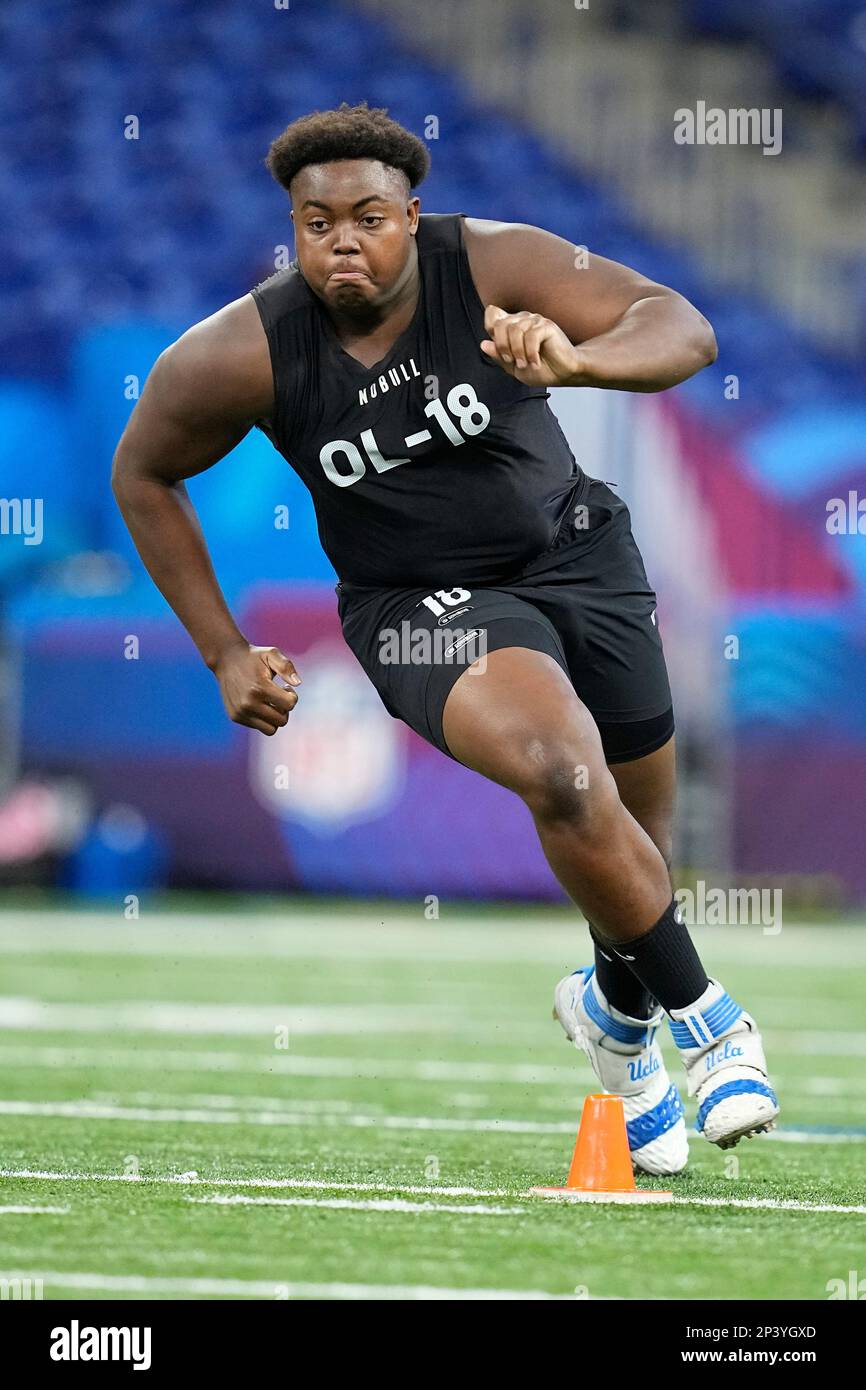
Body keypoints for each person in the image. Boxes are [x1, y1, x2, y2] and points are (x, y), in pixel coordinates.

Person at [112, 103, 779, 1175]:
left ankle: (615, 1023)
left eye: (367, 218)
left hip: (577, 553)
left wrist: (575, 358)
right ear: (290, 226)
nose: (341, 241)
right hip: (418, 603)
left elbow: (680, 326)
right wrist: (223, 650)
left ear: (409, 217)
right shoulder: (242, 349)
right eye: (314, 220)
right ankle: (709, 1027)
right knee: (562, 773)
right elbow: (142, 474)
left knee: (639, 846)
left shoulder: (490, 260)